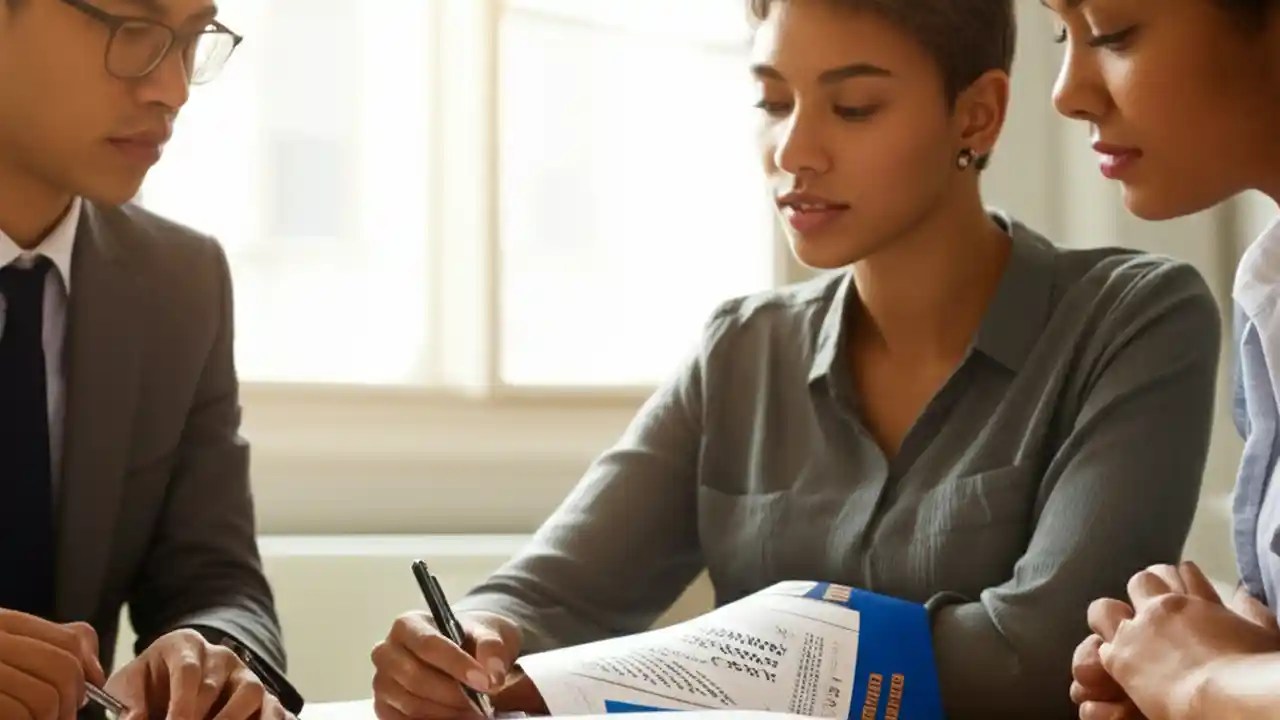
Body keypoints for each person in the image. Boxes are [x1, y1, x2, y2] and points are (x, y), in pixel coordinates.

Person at [372, 1, 1221, 718]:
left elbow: (1037, 654)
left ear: (977, 114)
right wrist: (464, 645)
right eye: (774, 102)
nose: (794, 150)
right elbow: (550, 596)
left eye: (852, 108)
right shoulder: (740, 350)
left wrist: (698, 669)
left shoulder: (1135, 320)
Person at [0, 0, 302, 718]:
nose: (172, 89)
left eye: (193, 39)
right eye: (131, 29)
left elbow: (217, 581)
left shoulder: (180, 280)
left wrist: (207, 654)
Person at [1045, 1, 1280, 719]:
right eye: (1063, 36)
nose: (1065, 91)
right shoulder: (1266, 291)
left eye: (1112, 33)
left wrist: (1202, 684)